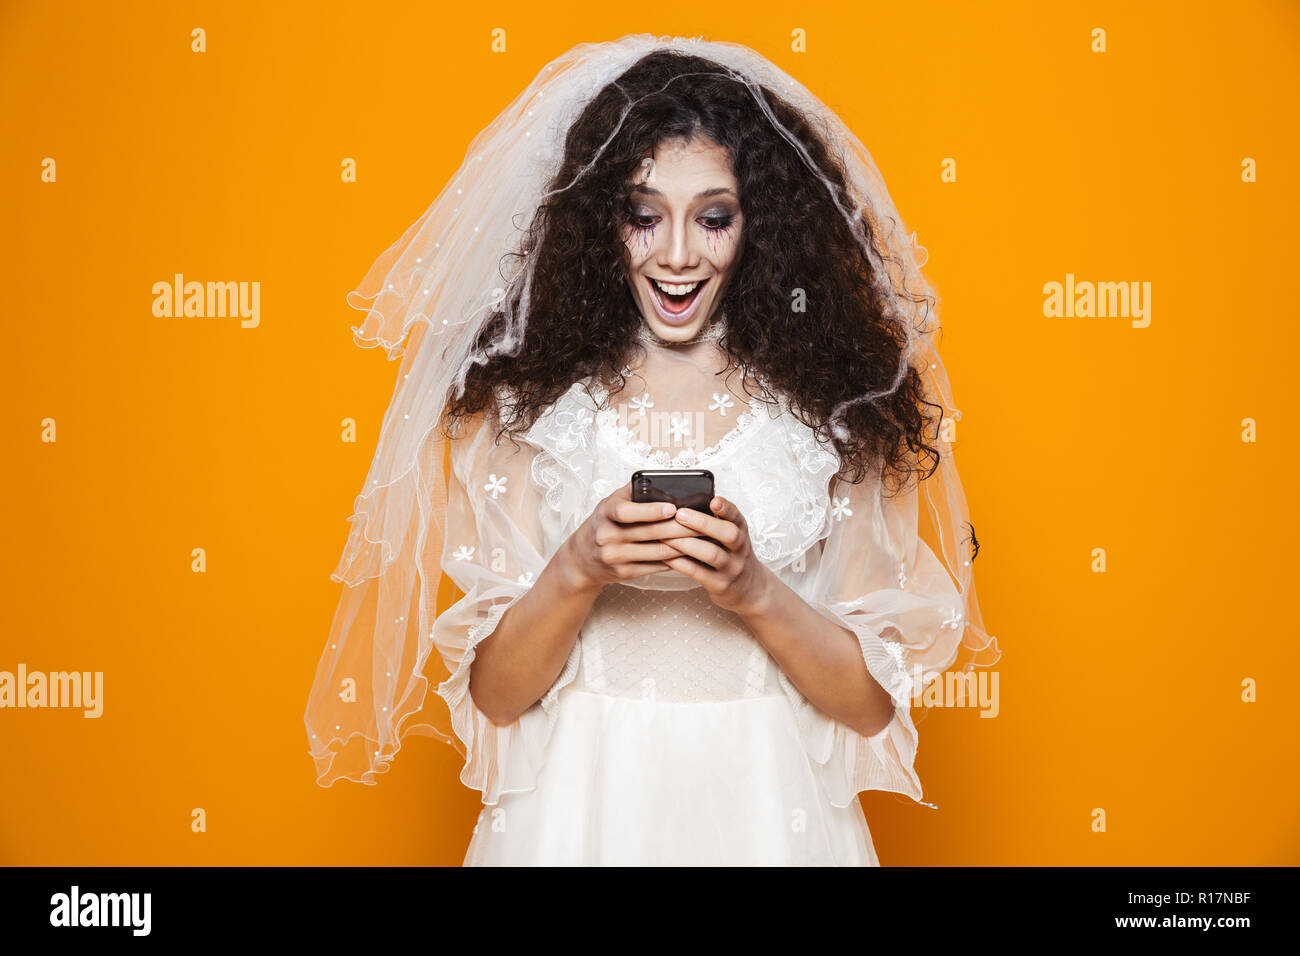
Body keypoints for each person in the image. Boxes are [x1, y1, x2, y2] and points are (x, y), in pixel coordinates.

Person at [304, 34, 998, 866]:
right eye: (643, 215)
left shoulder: (830, 411)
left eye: (713, 217)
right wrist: (579, 568)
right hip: (577, 813)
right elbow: (494, 698)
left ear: (759, 225)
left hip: (771, 815)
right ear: (604, 220)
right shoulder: (536, 406)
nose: (676, 255)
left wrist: (753, 590)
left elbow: (870, 708)